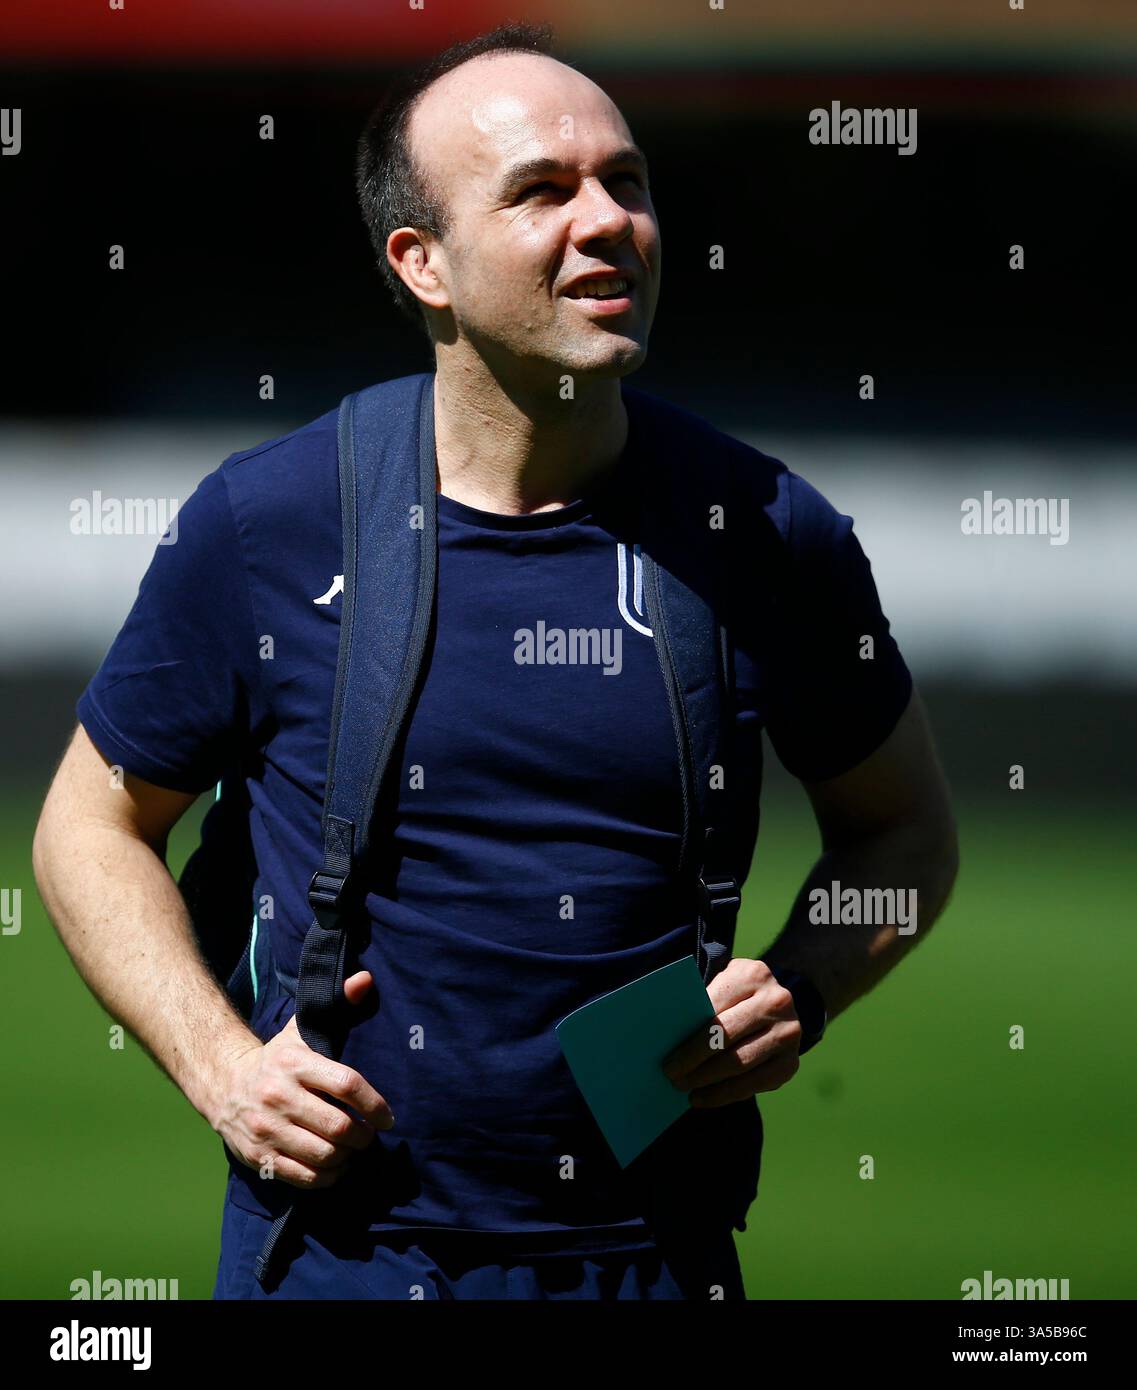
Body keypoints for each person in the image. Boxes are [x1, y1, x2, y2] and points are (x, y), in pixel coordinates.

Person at [32, 22, 958, 1301]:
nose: (609, 221)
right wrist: (221, 1070)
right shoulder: (266, 524)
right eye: (542, 192)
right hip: (339, 1260)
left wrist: (800, 986)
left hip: (655, 1263)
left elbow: (905, 835)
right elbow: (88, 828)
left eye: (625, 181)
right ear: (424, 264)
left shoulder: (766, 531)